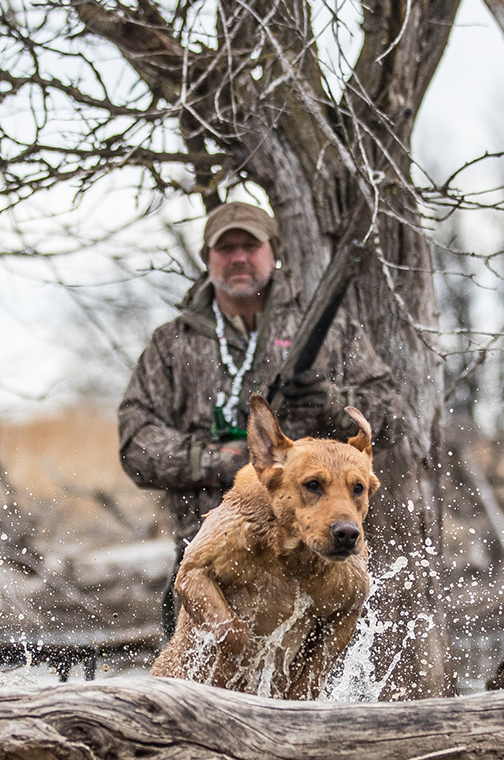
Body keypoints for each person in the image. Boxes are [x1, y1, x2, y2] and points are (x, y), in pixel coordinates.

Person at [116, 201, 397, 631]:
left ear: (274, 250)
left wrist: (333, 403)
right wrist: (217, 462)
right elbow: (135, 441)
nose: (239, 257)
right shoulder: (172, 343)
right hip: (210, 551)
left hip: (317, 562)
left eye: (251, 244)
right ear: (207, 258)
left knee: (306, 690)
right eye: (225, 248)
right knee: (191, 688)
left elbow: (394, 418)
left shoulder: (328, 328)